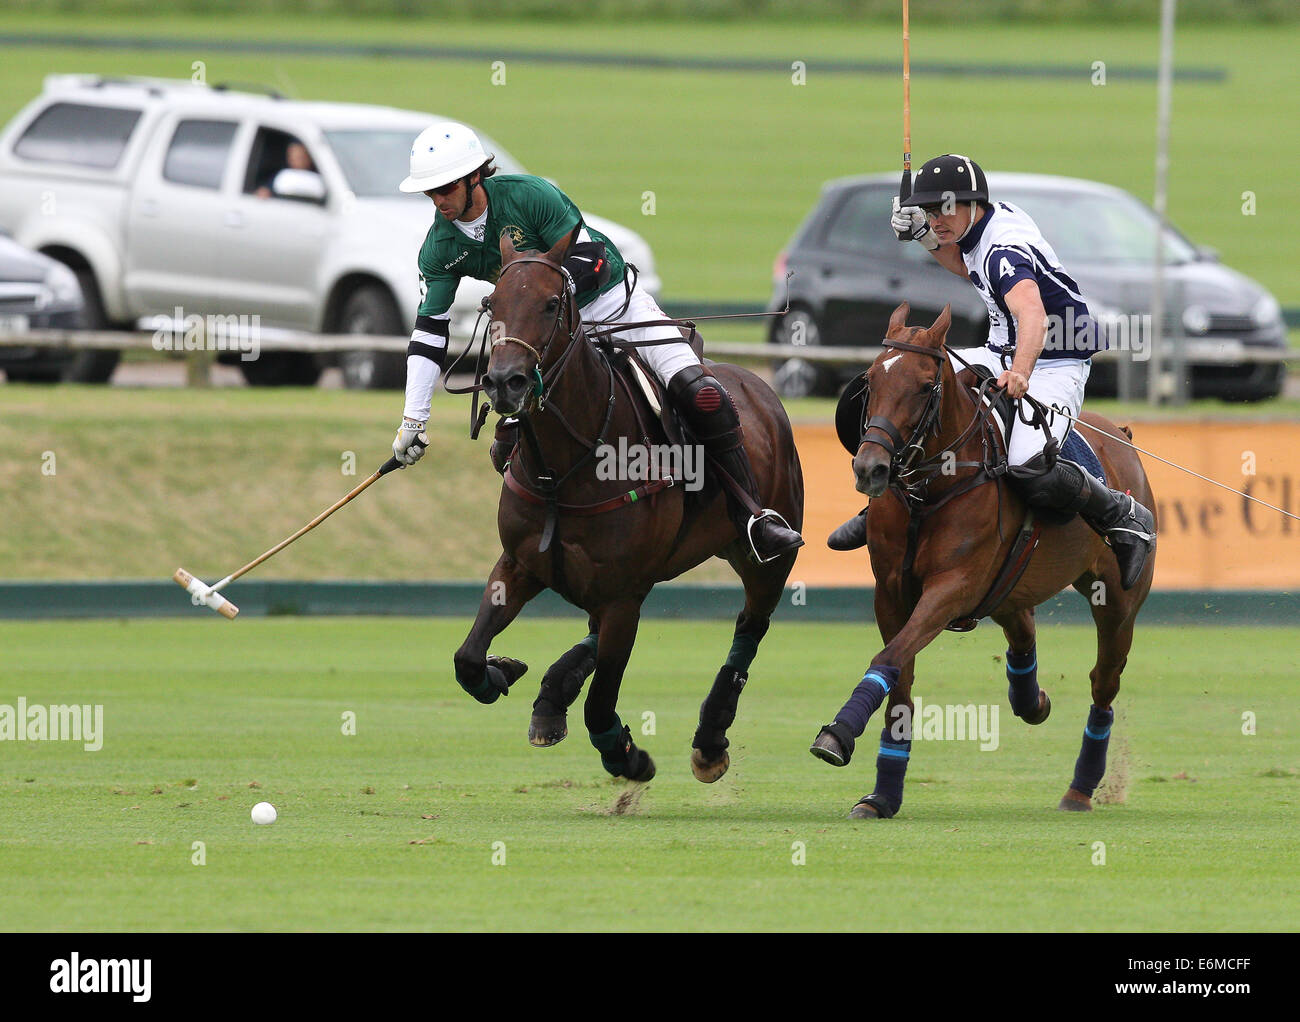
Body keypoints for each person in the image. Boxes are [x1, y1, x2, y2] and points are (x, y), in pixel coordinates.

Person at [389, 121, 802, 562]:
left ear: (475, 177)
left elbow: (591, 257)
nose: (439, 201)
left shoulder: (530, 196)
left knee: (701, 394)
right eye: (429, 192)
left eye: (446, 188)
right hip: (542, 332)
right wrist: (414, 420)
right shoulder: (439, 245)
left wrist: (543, 299)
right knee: (508, 436)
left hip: (610, 302)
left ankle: (753, 517)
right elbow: (429, 331)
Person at [826, 154, 1154, 589]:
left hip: (1054, 362)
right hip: (1001, 347)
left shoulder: (1004, 252)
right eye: (927, 211)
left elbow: (1032, 316)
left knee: (1027, 463)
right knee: (922, 388)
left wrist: (1021, 372)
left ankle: (1123, 515)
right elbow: (966, 266)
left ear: (971, 203)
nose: (935, 219)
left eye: (942, 209)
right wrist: (926, 238)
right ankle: (880, 500)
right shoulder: (980, 226)